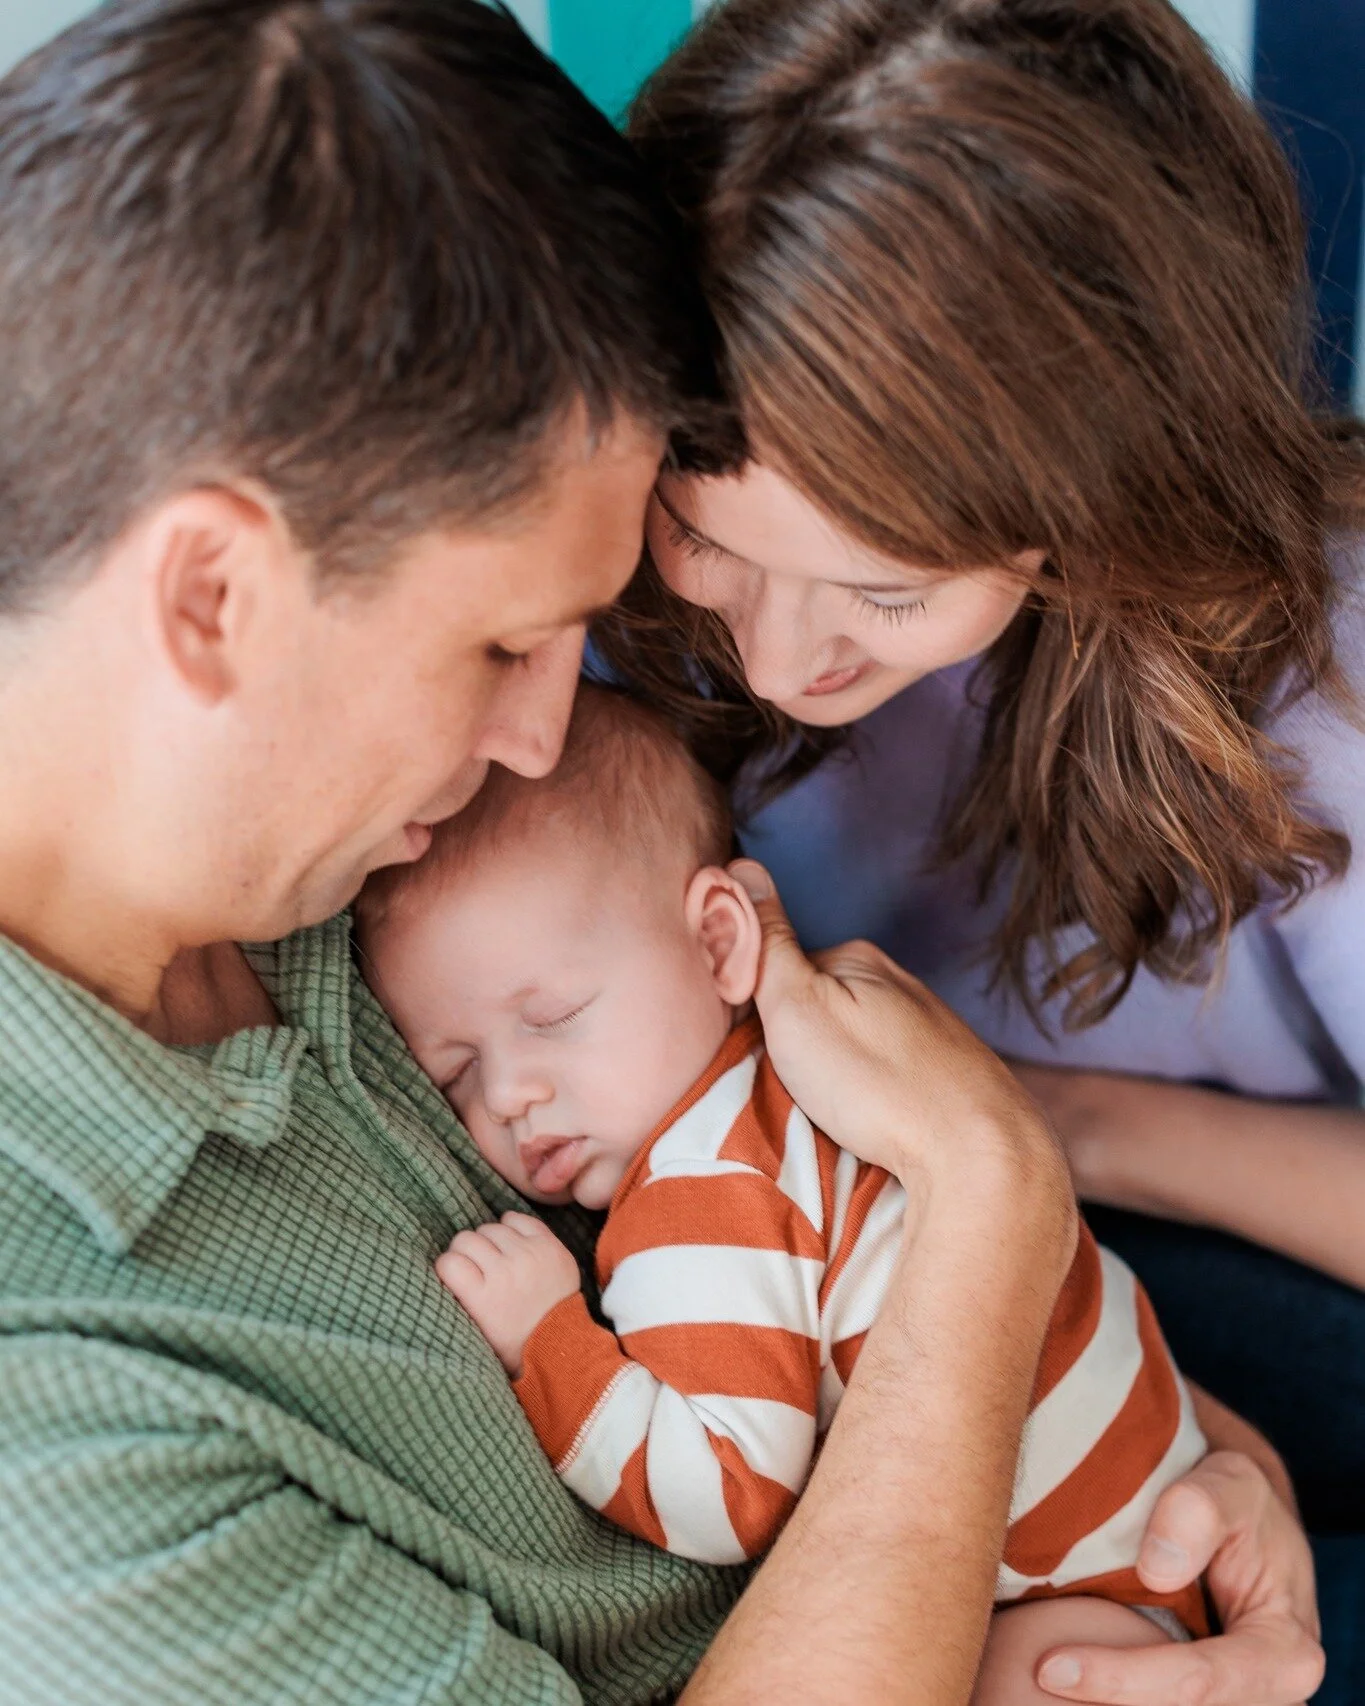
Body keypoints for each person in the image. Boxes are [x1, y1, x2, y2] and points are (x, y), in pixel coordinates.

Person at [0, 2, 1319, 1704]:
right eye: (501, 645)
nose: (549, 732)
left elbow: (808, 1219)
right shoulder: (71, 1450)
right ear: (212, 595)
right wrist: (994, 1206)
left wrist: (1191, 1482)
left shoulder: (320, 824)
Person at [595, 0, 1365, 1696]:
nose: (776, 662)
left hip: (1213, 1236)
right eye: (708, 538)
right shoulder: (600, 601)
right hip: (856, 1282)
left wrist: (1044, 1132)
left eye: (885, 591)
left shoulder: (1329, 684)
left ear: (1098, 497)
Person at [355, 684, 1211, 1702]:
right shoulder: (822, 1073)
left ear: (720, 942)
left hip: (1071, 1585)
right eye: (455, 1072)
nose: (508, 1094)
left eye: (552, 1017)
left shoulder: (699, 1187)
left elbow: (726, 1491)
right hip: (1146, 1499)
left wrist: (549, 1343)